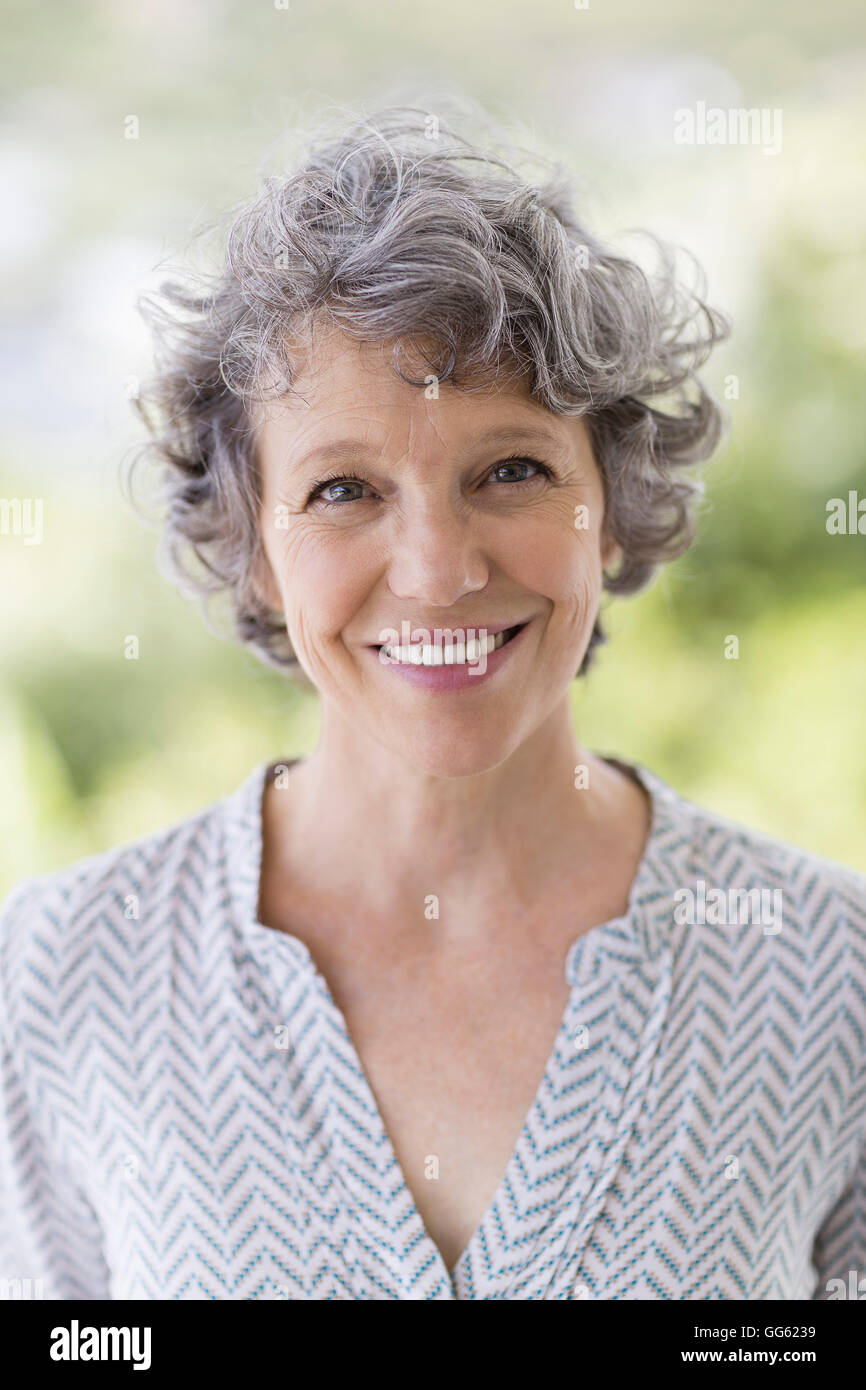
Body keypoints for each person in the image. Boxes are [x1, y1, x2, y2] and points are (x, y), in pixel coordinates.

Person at [1, 100, 864, 1301]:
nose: (437, 569)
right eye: (344, 488)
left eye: (510, 469)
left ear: (604, 504)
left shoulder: (832, 973)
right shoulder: (49, 983)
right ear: (254, 545)